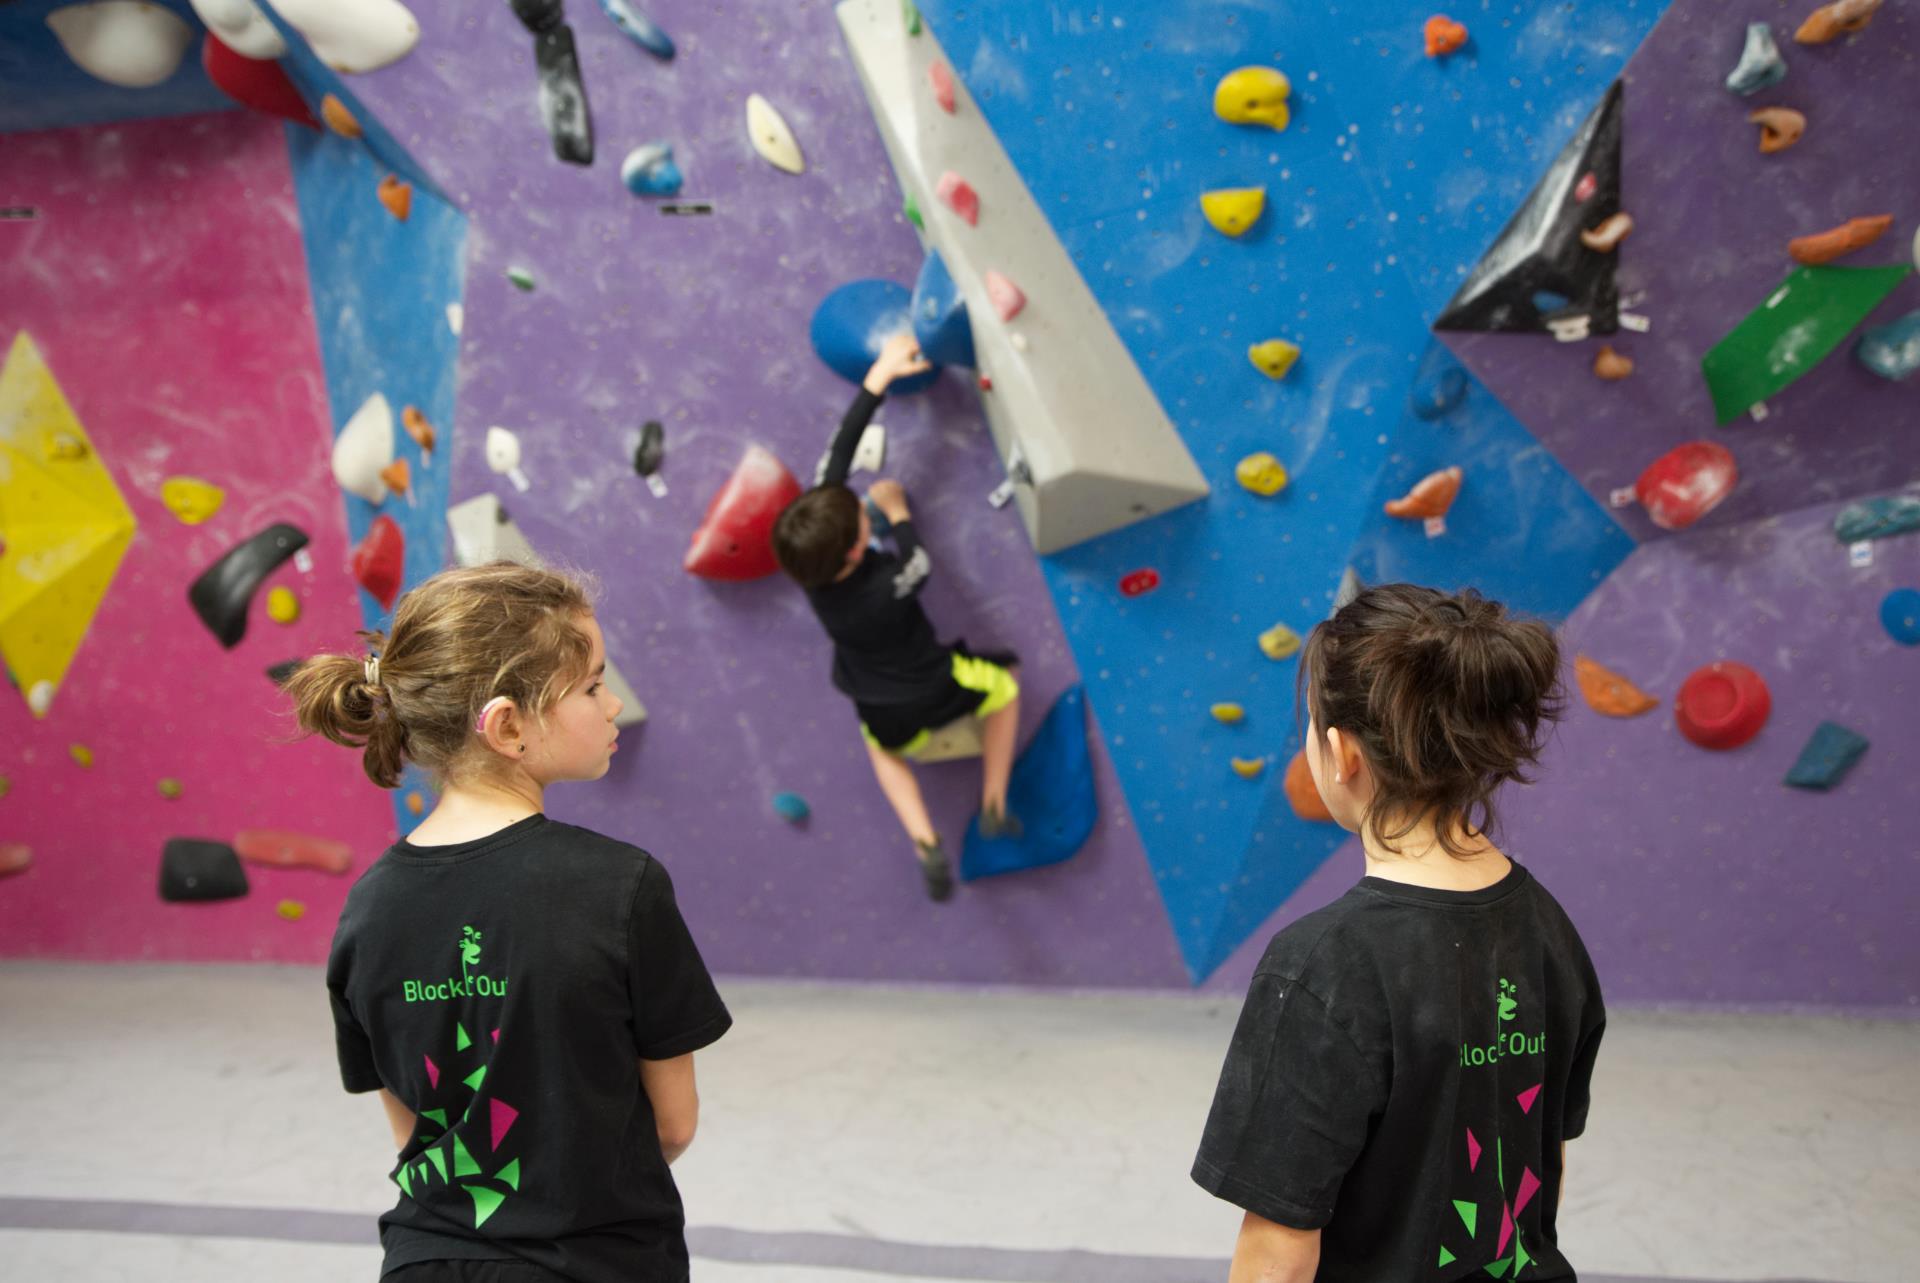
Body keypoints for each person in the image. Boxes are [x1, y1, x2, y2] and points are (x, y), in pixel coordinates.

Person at [286, 563, 731, 1283]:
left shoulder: (367, 907)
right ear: (507, 725)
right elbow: (672, 1126)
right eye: (590, 685)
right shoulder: (622, 886)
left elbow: (418, 1136)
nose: (612, 704)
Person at [1192, 584, 1606, 1282]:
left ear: (1341, 751)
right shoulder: (1549, 927)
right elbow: (1541, 1160)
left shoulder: (1322, 964)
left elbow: (1278, 1253)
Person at [771, 334, 1022, 901]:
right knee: (1004, 690)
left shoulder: (808, 565)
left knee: (884, 751)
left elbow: (838, 455)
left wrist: (878, 377)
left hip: (877, 701)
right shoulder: (888, 584)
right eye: (861, 524)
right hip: (934, 684)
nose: (860, 512)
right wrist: (898, 514)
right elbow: (920, 565)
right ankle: (995, 800)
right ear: (857, 552)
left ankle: (923, 838)